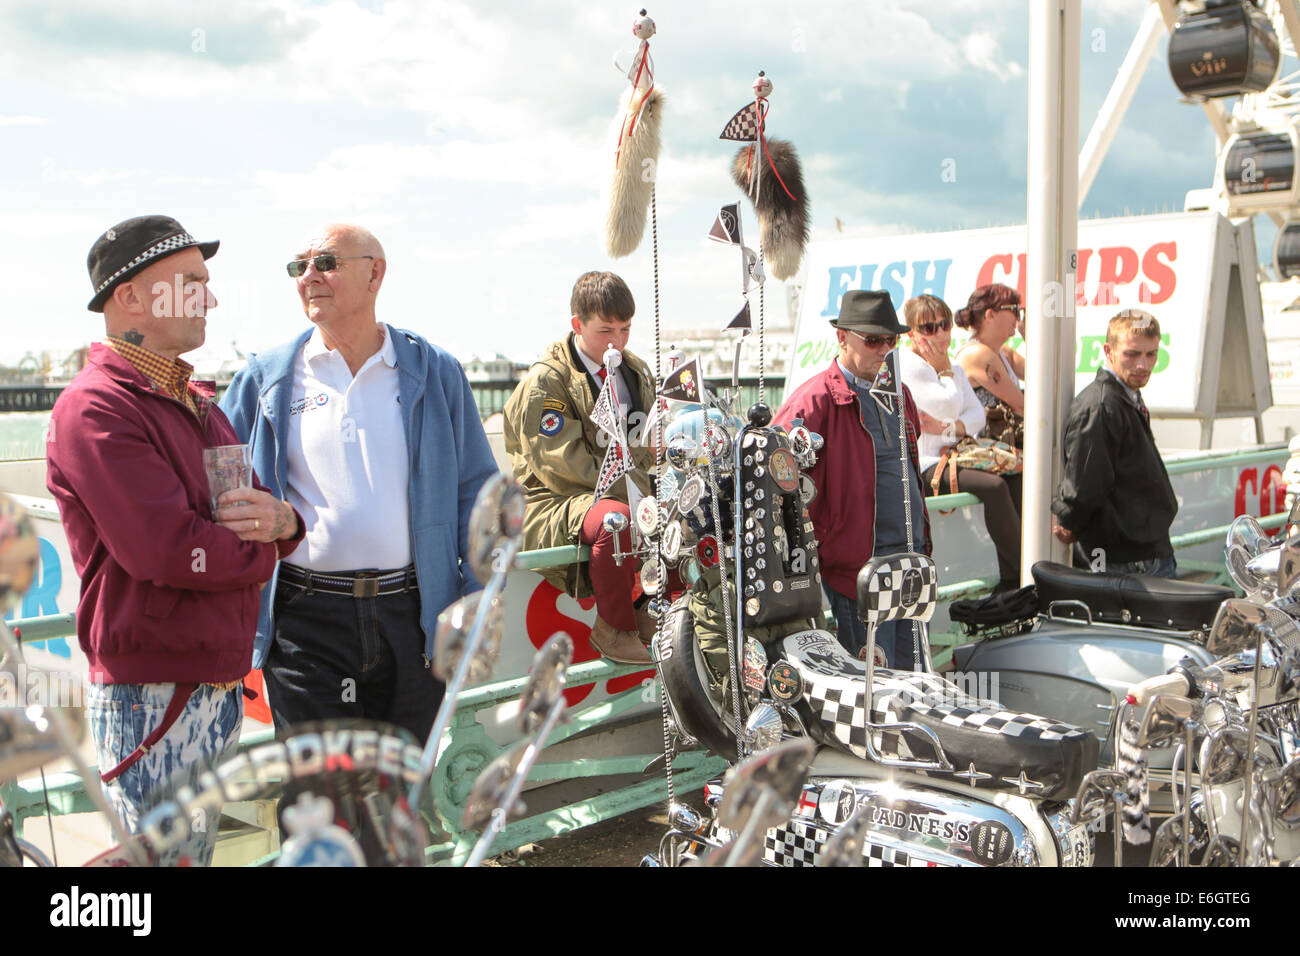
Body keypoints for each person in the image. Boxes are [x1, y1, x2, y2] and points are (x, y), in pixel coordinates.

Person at [46, 215, 305, 866]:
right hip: (155, 694)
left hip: (210, 685)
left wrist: (278, 525)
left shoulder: (197, 403)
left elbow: (253, 519)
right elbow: (166, 550)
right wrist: (270, 543)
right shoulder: (96, 405)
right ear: (130, 297)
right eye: (191, 283)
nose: (209, 299)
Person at [220, 224, 497, 743]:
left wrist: (476, 599)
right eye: (297, 267)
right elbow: (211, 475)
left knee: (400, 794)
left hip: (415, 618)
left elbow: (478, 495)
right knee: (317, 796)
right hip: (305, 621)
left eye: (325, 262)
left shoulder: (434, 371)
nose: (308, 278)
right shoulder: (265, 378)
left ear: (376, 272)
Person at [502, 272, 658, 666]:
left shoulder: (634, 370)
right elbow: (563, 466)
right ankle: (615, 628)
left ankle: (651, 610)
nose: (618, 341)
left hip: (619, 491)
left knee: (677, 510)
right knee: (618, 521)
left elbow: (647, 444)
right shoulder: (546, 381)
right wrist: (641, 492)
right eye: (606, 330)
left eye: (625, 329)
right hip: (551, 500)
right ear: (577, 325)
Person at [775, 290, 931, 668]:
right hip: (858, 574)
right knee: (870, 695)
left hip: (909, 567)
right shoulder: (813, 401)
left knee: (915, 688)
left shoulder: (900, 394)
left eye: (891, 340)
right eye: (873, 339)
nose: (883, 349)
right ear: (842, 338)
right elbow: (775, 476)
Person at [899, 294, 1021, 590]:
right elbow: (943, 401)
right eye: (929, 328)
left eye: (945, 324)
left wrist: (948, 426)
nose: (940, 333)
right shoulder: (908, 364)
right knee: (994, 487)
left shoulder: (954, 367)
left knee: (1016, 475)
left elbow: (977, 415)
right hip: (922, 465)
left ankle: (1012, 575)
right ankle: (1020, 572)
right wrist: (945, 373)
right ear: (912, 334)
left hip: (952, 456)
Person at [1051, 309, 1178, 578]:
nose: (1143, 365)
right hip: (1128, 555)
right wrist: (1069, 517)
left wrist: (1071, 517)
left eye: (1151, 354)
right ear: (1109, 351)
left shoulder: (1118, 398)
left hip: (1139, 549)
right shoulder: (1100, 405)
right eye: (1132, 354)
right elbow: (1087, 479)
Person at [955, 283, 1026, 454]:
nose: (1018, 318)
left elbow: (1043, 377)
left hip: (997, 449)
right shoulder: (977, 355)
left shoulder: (1003, 353)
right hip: (980, 450)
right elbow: (1023, 406)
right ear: (991, 314)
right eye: (1014, 310)